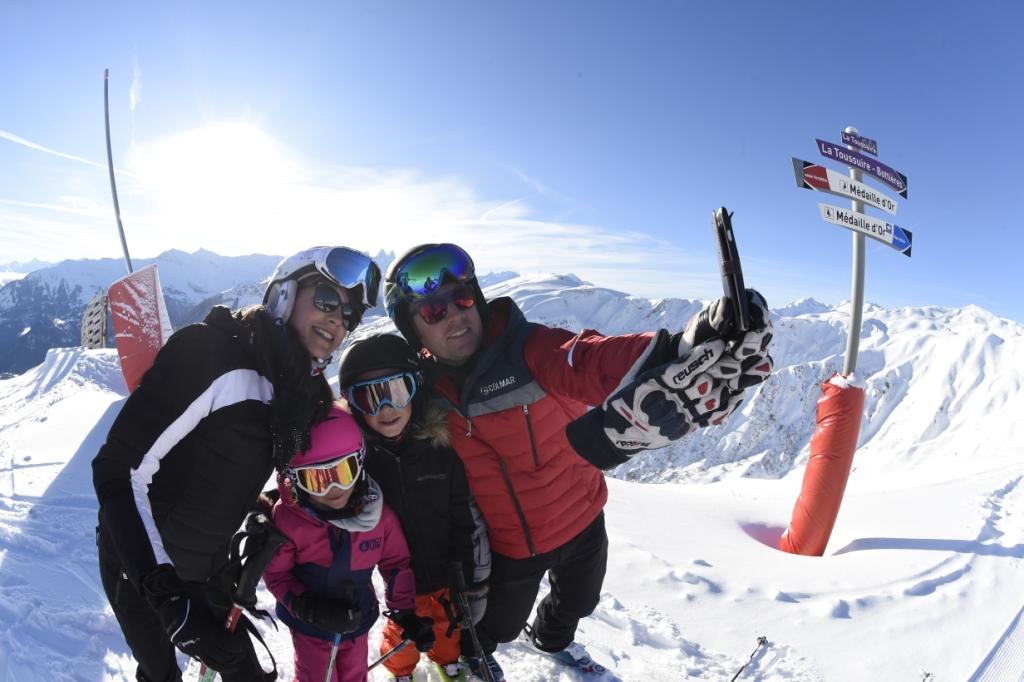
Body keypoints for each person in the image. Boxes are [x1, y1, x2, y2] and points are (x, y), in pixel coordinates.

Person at [382, 243, 774, 680]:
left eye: (462, 299)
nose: (455, 316)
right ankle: (477, 654)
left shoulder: (528, 349)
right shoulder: (421, 395)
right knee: (496, 625)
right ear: (413, 329)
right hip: (511, 544)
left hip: (582, 517)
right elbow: (374, 422)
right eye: (433, 311)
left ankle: (551, 640)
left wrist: (682, 347)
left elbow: (590, 359)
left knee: (578, 602)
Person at [93, 246, 381, 682]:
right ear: (285, 294)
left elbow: (239, 466)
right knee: (160, 674)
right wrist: (168, 599)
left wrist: (262, 510)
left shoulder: (296, 392)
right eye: (326, 300)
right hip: (139, 568)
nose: (337, 319)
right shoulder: (211, 355)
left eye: (349, 314)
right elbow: (118, 470)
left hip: (207, 568)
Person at [338, 334, 491, 682]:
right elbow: (322, 488)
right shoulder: (362, 463)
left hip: (445, 568)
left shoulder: (441, 452)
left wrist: (467, 569)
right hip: (398, 575)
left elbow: (462, 513)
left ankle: (447, 660)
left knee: (447, 625)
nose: (385, 408)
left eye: (396, 391)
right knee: (403, 631)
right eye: (369, 398)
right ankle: (400, 669)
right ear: (354, 407)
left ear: (415, 391)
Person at [262, 406, 435, 682]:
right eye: (317, 480)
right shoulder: (291, 520)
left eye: (344, 472)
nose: (334, 489)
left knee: (355, 674)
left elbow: (396, 563)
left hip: (357, 618)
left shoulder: (378, 517)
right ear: (295, 479)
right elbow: (275, 573)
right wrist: (307, 608)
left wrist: (405, 614)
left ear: (360, 463)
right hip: (313, 625)